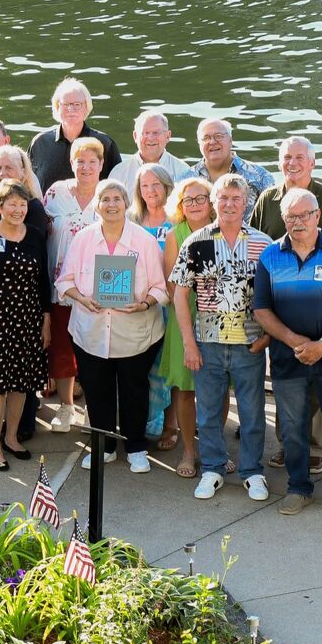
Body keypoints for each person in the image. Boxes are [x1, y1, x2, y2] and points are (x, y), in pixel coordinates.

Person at [251, 188, 322, 519]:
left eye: (304, 215)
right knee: (292, 426)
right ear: (284, 219)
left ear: (317, 216)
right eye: (290, 216)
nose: (297, 222)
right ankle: (298, 486)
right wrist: (292, 340)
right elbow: (262, 310)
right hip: (289, 356)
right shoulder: (270, 256)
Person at [55, 176, 170, 473]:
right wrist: (81, 298)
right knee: (97, 390)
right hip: (90, 331)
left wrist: (144, 303)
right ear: (96, 206)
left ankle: (136, 447)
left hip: (136, 332)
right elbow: (64, 281)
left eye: (117, 198)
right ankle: (103, 446)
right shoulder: (83, 239)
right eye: (104, 199)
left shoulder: (143, 241)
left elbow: (160, 287)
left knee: (134, 390)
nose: (111, 204)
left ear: (127, 203)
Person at [174, 174, 273, 501]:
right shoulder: (197, 242)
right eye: (223, 198)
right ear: (214, 202)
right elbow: (179, 294)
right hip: (208, 342)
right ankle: (213, 468)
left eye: (236, 198)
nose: (229, 204)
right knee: (210, 411)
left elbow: (276, 295)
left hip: (250, 343)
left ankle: (252, 472)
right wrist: (189, 343)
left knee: (252, 411)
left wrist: (268, 338)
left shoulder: (263, 244)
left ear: (246, 202)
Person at [0, 179, 53, 470]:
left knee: (22, 384)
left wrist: (46, 320)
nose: (18, 209)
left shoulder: (37, 236)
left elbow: (44, 282)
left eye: (23, 204)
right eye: (12, 204)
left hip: (28, 320)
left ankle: (12, 437)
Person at [41, 137, 107, 432]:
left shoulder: (108, 194)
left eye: (93, 161)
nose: (86, 167)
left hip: (95, 288)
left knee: (93, 348)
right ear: (71, 163)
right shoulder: (56, 192)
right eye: (80, 161)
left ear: (102, 165)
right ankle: (67, 406)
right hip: (61, 285)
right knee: (61, 347)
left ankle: (94, 406)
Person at [160, 177, 214, 476]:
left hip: (220, 319)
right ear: (180, 205)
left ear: (211, 201)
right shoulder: (175, 235)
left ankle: (213, 450)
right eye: (187, 200)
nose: (194, 204)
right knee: (184, 389)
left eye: (200, 198)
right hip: (184, 316)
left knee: (217, 388)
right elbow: (171, 287)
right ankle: (189, 452)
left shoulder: (224, 232)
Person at [130, 163, 179, 449]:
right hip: (140, 304)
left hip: (170, 305)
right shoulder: (133, 220)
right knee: (143, 368)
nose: (150, 190)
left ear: (166, 187)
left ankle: (170, 424)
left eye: (156, 184)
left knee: (169, 366)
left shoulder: (177, 220)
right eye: (145, 185)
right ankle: (144, 421)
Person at [250, 137, 322, 245]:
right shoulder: (266, 200)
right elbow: (252, 242)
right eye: (287, 157)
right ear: (279, 164)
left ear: (312, 164)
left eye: (299, 158)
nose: (292, 163)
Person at [29, 78, 121, 188]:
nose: (71, 109)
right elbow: (26, 182)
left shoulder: (104, 143)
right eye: (65, 104)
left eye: (77, 104)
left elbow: (118, 187)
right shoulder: (40, 143)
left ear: (87, 107)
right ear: (57, 107)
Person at [190, 119, 276, 221]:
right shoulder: (187, 179)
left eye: (218, 136)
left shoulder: (260, 176)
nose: (212, 142)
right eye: (206, 138)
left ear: (230, 140)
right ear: (199, 143)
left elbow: (272, 217)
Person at [114, 111, 191, 192]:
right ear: (135, 136)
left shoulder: (183, 172)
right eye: (145, 133)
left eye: (156, 133)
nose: (150, 138)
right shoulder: (119, 173)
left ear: (168, 136)